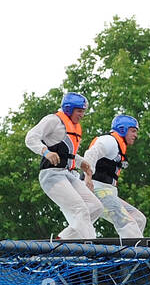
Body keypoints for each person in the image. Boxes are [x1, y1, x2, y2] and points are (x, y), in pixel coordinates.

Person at [24, 91, 102, 239]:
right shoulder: (53, 120)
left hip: (67, 174)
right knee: (80, 209)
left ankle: (61, 241)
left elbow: (68, 154)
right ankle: (93, 247)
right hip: (51, 175)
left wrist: (81, 163)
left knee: (95, 207)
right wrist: (45, 152)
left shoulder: (73, 127)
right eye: (79, 111)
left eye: (83, 111)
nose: (82, 115)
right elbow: (30, 138)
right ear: (68, 109)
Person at [83, 114, 147, 237]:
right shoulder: (110, 140)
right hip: (97, 188)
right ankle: (136, 253)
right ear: (122, 129)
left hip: (107, 191)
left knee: (138, 218)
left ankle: (64, 239)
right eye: (133, 131)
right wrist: (88, 178)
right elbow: (90, 154)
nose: (136, 135)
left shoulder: (118, 146)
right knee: (127, 222)